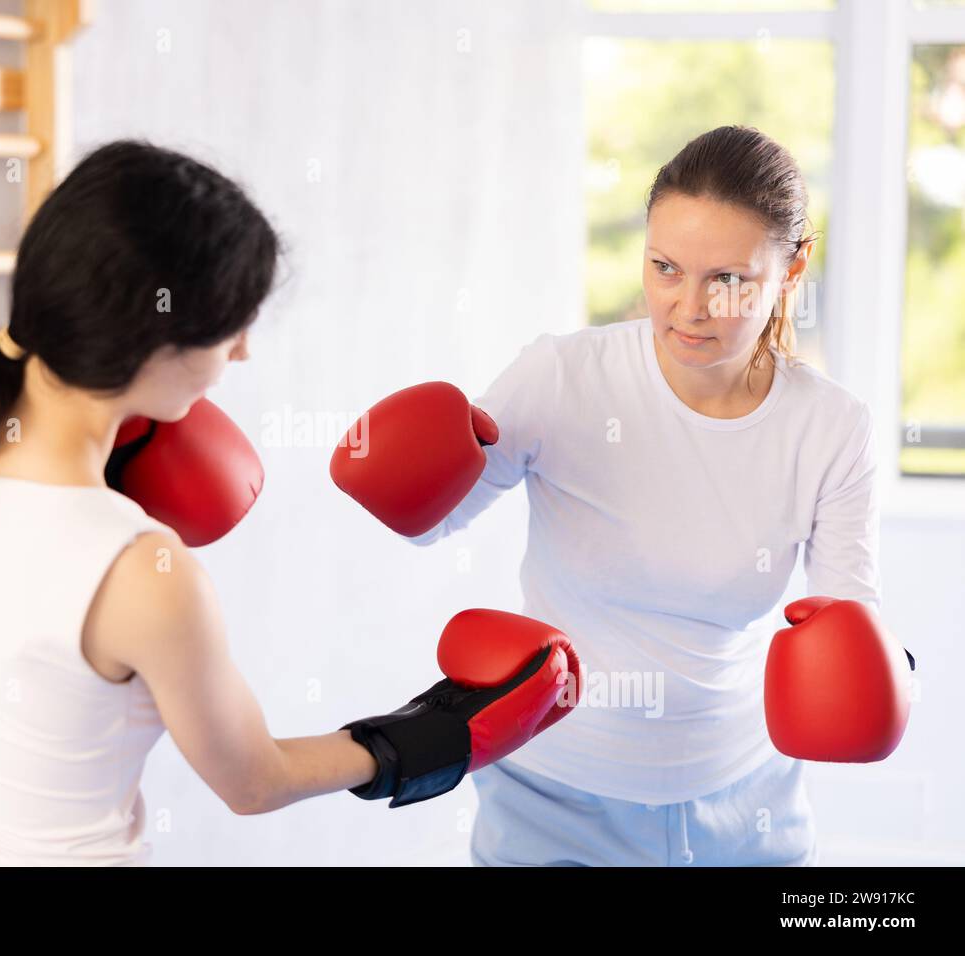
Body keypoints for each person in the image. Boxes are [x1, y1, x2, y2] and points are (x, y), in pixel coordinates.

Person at [0, 140, 575, 866]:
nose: (241, 354)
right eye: (232, 325)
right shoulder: (139, 571)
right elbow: (254, 781)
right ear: (156, 338)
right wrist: (438, 732)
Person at [364, 125, 867, 866]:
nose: (687, 308)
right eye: (665, 268)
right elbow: (434, 523)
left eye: (727, 280)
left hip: (744, 802)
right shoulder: (563, 377)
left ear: (794, 268)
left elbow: (851, 610)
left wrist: (881, 672)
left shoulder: (830, 424)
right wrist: (404, 468)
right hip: (551, 795)